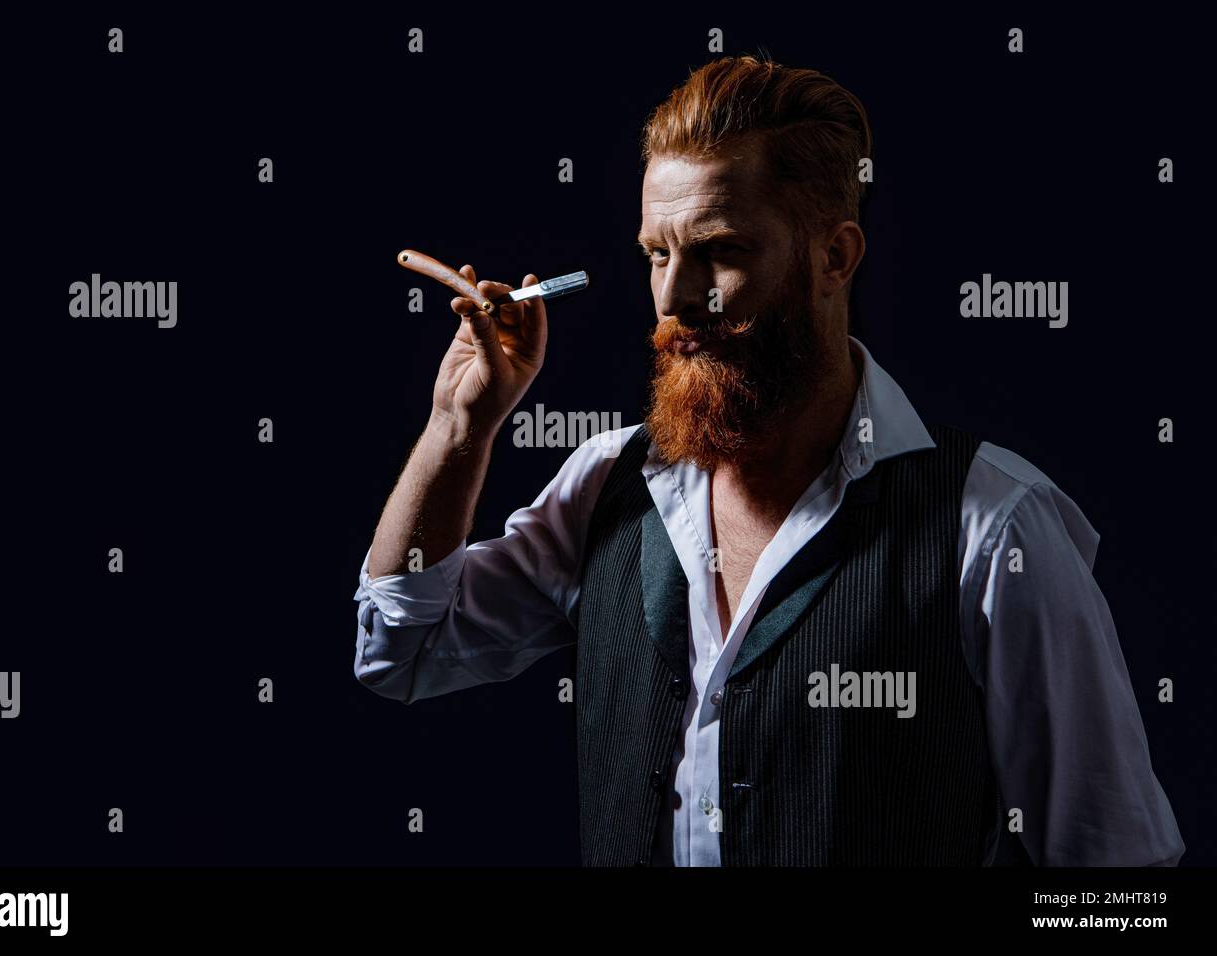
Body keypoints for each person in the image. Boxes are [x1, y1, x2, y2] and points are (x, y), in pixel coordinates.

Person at [354, 55, 1184, 867]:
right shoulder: (610, 484)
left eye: (719, 250)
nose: (677, 299)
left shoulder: (994, 526)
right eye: (656, 254)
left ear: (834, 257)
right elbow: (401, 652)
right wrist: (457, 430)